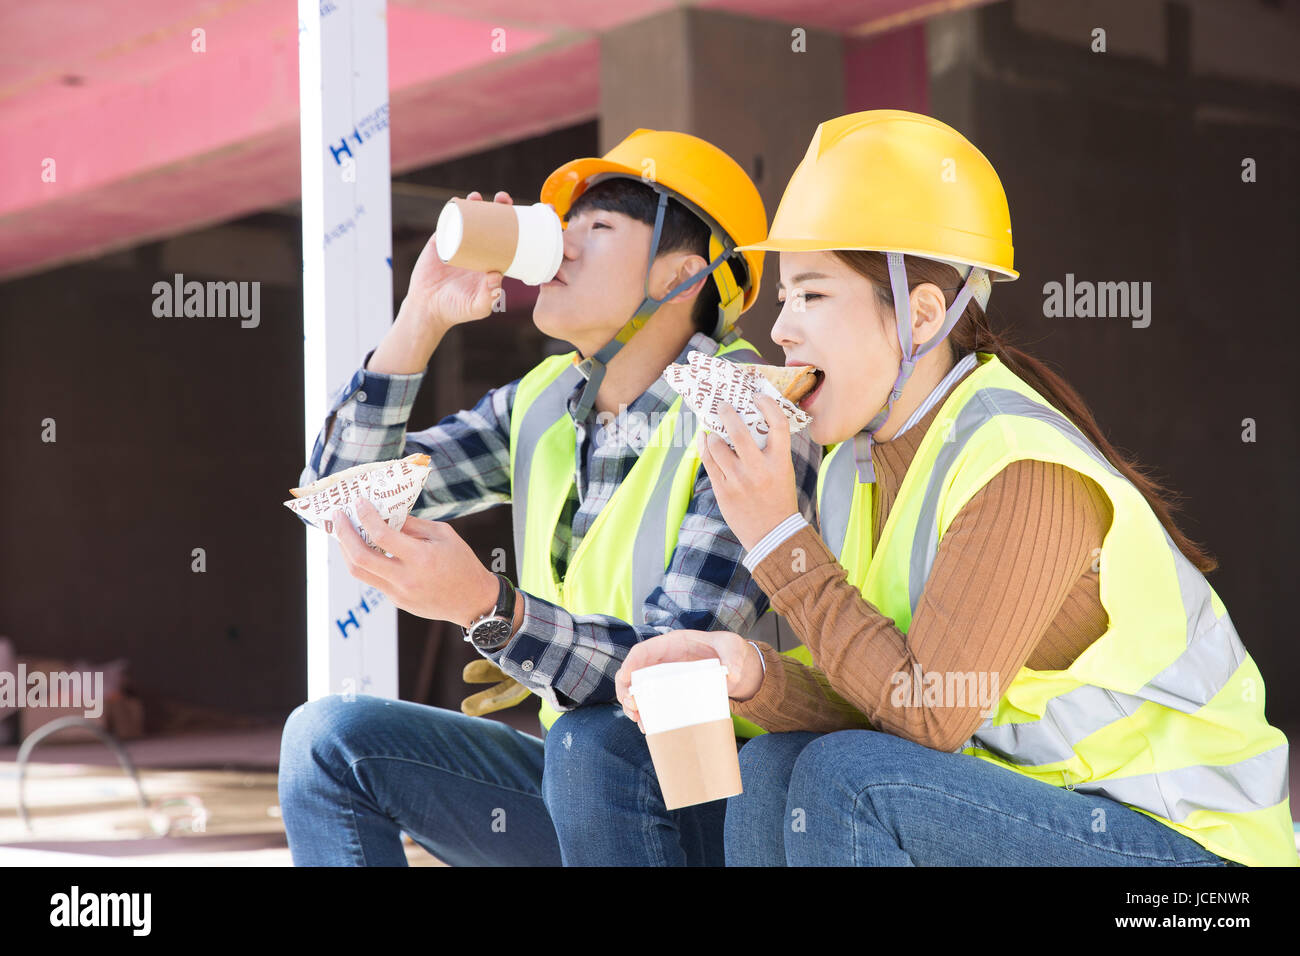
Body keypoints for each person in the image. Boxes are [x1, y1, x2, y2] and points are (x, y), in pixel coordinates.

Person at [615, 110, 1296, 867]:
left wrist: (777, 538)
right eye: (784, 299)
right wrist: (749, 673)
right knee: (780, 765)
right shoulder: (855, 466)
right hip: (1046, 818)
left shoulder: (1016, 463)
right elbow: (883, 701)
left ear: (921, 314)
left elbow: (928, 715)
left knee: (849, 780)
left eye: (811, 296)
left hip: (1197, 870)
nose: (780, 329)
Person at [277, 128, 821, 866]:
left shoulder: (751, 411)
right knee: (329, 741)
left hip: (722, 805)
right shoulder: (541, 402)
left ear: (685, 275)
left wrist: (491, 610)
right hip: (587, 784)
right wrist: (419, 320)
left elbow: (676, 675)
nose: (561, 246)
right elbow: (341, 497)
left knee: (593, 739)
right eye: (563, 226)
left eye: (598, 227)